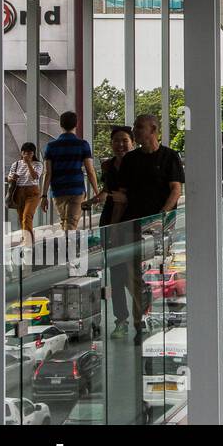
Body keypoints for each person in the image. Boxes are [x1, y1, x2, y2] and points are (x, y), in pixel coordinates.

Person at [112, 113, 184, 345]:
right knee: (133, 272)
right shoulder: (131, 160)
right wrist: (114, 226)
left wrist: (162, 214)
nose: (135, 131)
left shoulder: (170, 156)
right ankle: (139, 322)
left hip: (158, 228)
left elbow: (175, 190)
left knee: (157, 272)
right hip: (133, 225)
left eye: (139, 127)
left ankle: (153, 315)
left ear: (153, 129)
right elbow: (121, 196)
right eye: (135, 126)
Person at [98, 125, 136, 338]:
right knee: (116, 273)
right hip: (110, 220)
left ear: (132, 142)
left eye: (124, 140)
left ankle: (140, 307)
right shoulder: (107, 166)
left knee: (129, 271)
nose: (120, 145)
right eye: (116, 141)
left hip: (128, 222)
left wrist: (113, 228)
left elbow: (124, 198)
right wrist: (94, 200)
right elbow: (109, 192)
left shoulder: (138, 165)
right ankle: (121, 319)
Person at [41, 111, 100, 232]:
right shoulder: (83, 144)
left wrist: (44, 195)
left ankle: (67, 247)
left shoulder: (51, 146)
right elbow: (90, 170)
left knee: (65, 221)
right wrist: (96, 191)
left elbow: (48, 173)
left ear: (61, 125)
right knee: (71, 223)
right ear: (76, 124)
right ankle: (69, 249)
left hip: (58, 190)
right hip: (76, 189)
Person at [5, 141, 43, 244]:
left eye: (29, 153)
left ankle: (29, 242)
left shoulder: (38, 164)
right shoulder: (16, 164)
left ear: (33, 153)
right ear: (21, 153)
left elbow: (35, 176)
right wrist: (11, 178)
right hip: (18, 192)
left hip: (32, 193)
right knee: (21, 216)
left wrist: (28, 164)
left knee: (27, 216)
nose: (26, 155)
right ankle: (25, 237)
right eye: (24, 152)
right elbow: (9, 178)